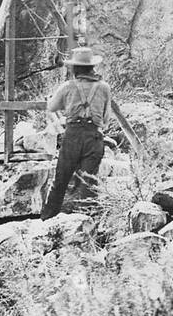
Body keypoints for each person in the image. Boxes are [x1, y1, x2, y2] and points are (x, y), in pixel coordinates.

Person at [41, 46, 117, 219]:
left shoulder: (67, 87)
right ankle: (87, 222)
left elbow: (52, 107)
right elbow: (106, 119)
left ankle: (46, 220)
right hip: (94, 137)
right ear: (92, 67)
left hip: (72, 137)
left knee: (60, 181)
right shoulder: (104, 88)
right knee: (88, 183)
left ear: (75, 68)